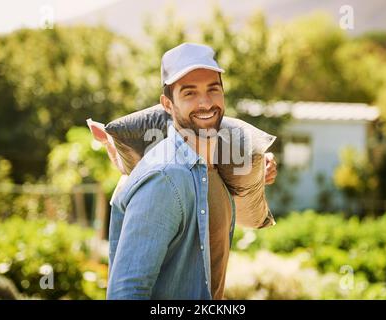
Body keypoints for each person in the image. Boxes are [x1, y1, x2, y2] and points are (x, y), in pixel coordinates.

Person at [106, 43, 277, 299]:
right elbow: (127, 292)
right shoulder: (166, 177)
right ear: (167, 104)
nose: (206, 103)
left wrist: (256, 170)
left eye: (213, 89)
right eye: (189, 93)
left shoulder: (212, 171)